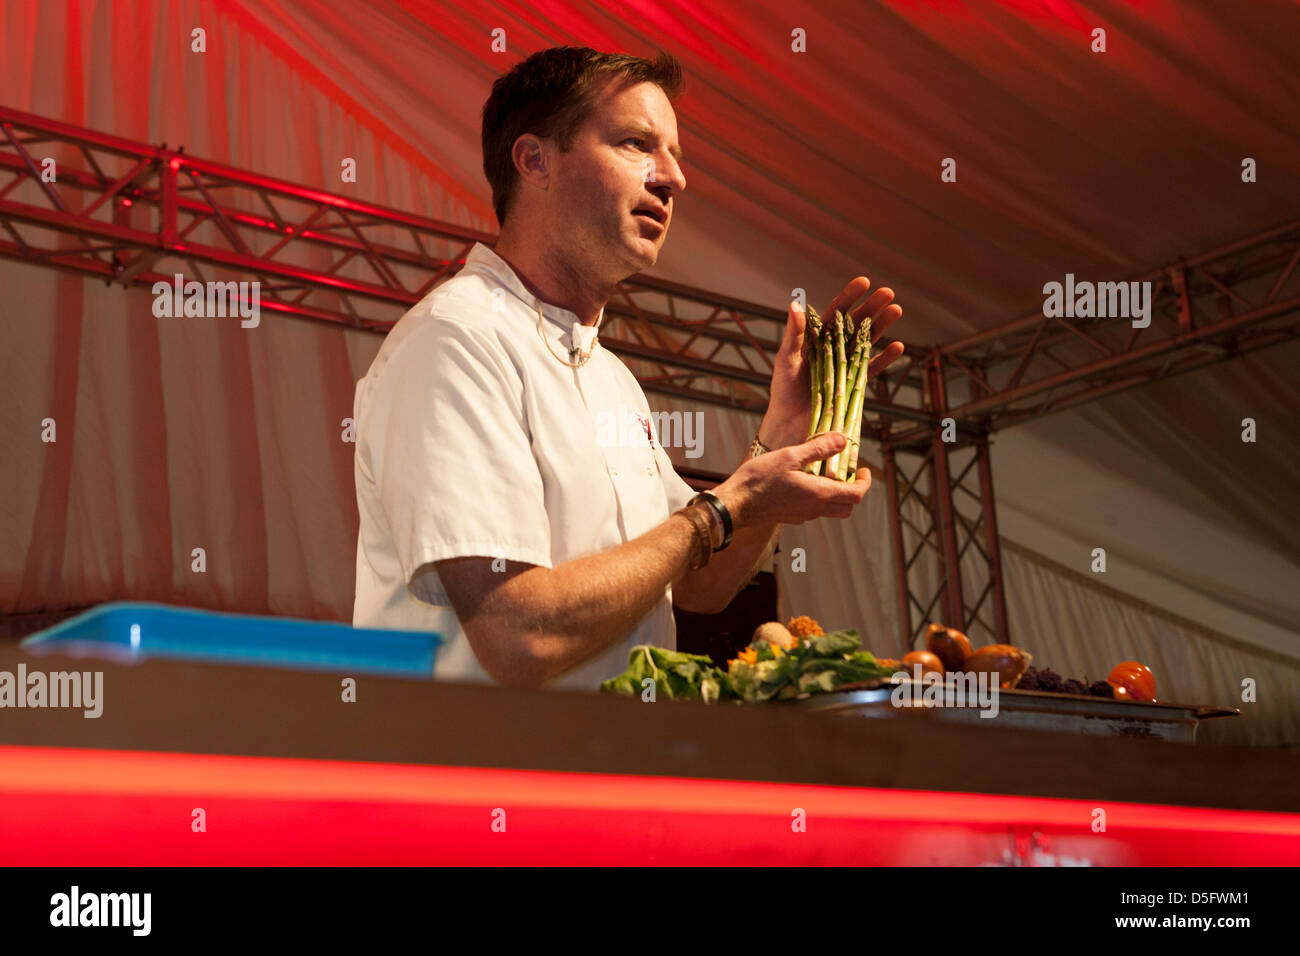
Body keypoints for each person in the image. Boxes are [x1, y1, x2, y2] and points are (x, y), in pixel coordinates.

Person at [351, 46, 904, 690]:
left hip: (607, 775)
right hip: (481, 782)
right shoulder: (455, 341)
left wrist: (783, 438)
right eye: (638, 143)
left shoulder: (612, 377)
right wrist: (720, 510)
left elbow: (700, 583)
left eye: (675, 154)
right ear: (535, 161)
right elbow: (517, 633)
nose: (674, 177)